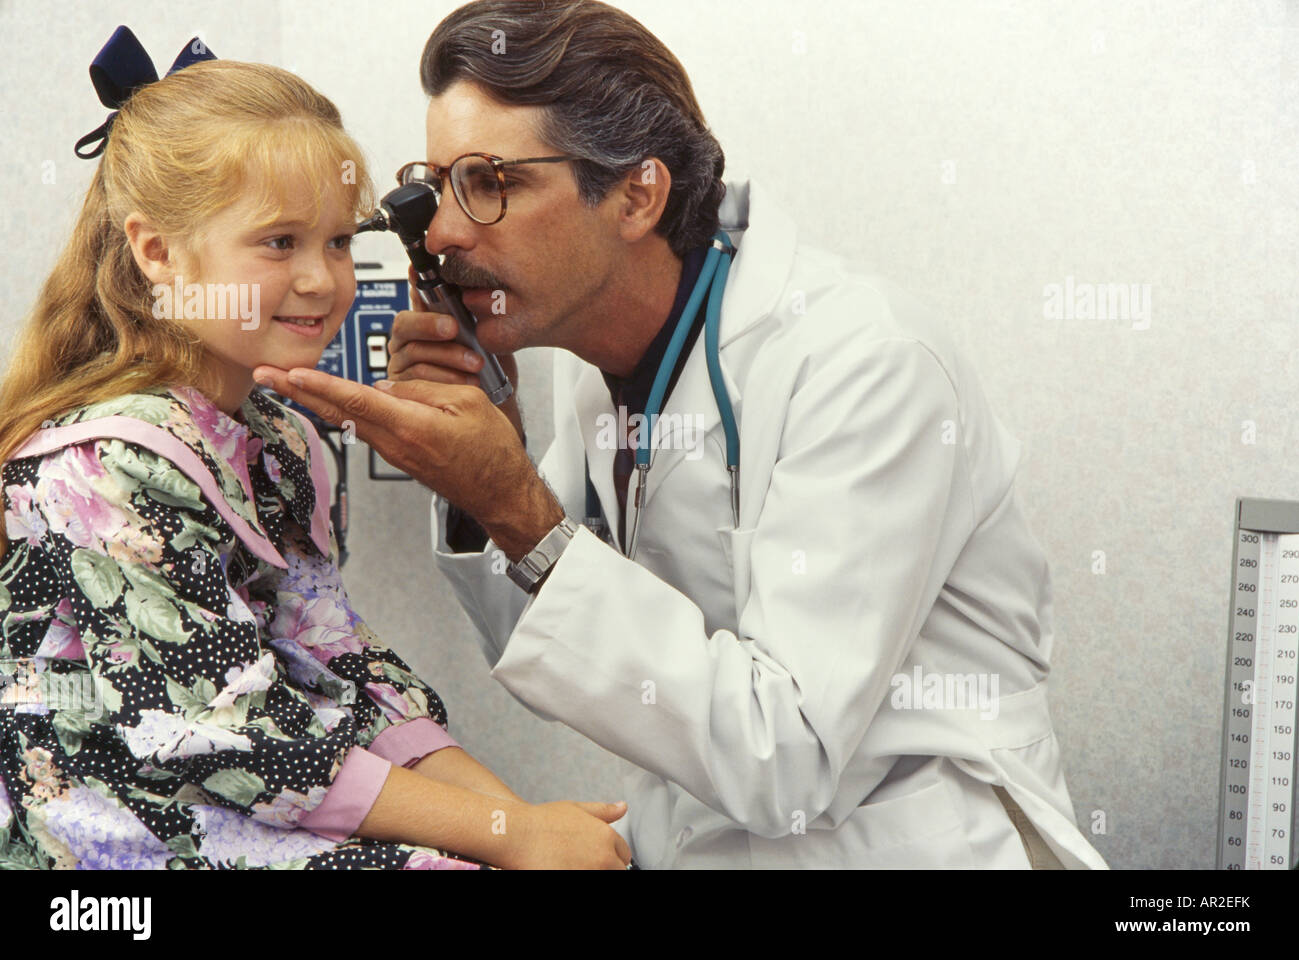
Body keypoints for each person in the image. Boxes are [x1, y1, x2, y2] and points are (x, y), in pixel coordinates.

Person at [258, 0, 1109, 869]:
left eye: (490, 183)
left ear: (637, 194)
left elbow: (787, 755)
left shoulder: (867, 362)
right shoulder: (604, 367)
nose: (440, 232)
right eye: (438, 186)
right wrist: (485, 487)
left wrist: (511, 499)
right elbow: (558, 653)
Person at [0, 27, 632, 870]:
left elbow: (338, 658)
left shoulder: (281, 442)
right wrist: (508, 835)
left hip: (251, 803)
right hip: (115, 848)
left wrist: (520, 823)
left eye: (338, 242)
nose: (321, 279)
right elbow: (231, 736)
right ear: (158, 252)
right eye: (279, 242)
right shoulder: (102, 469)